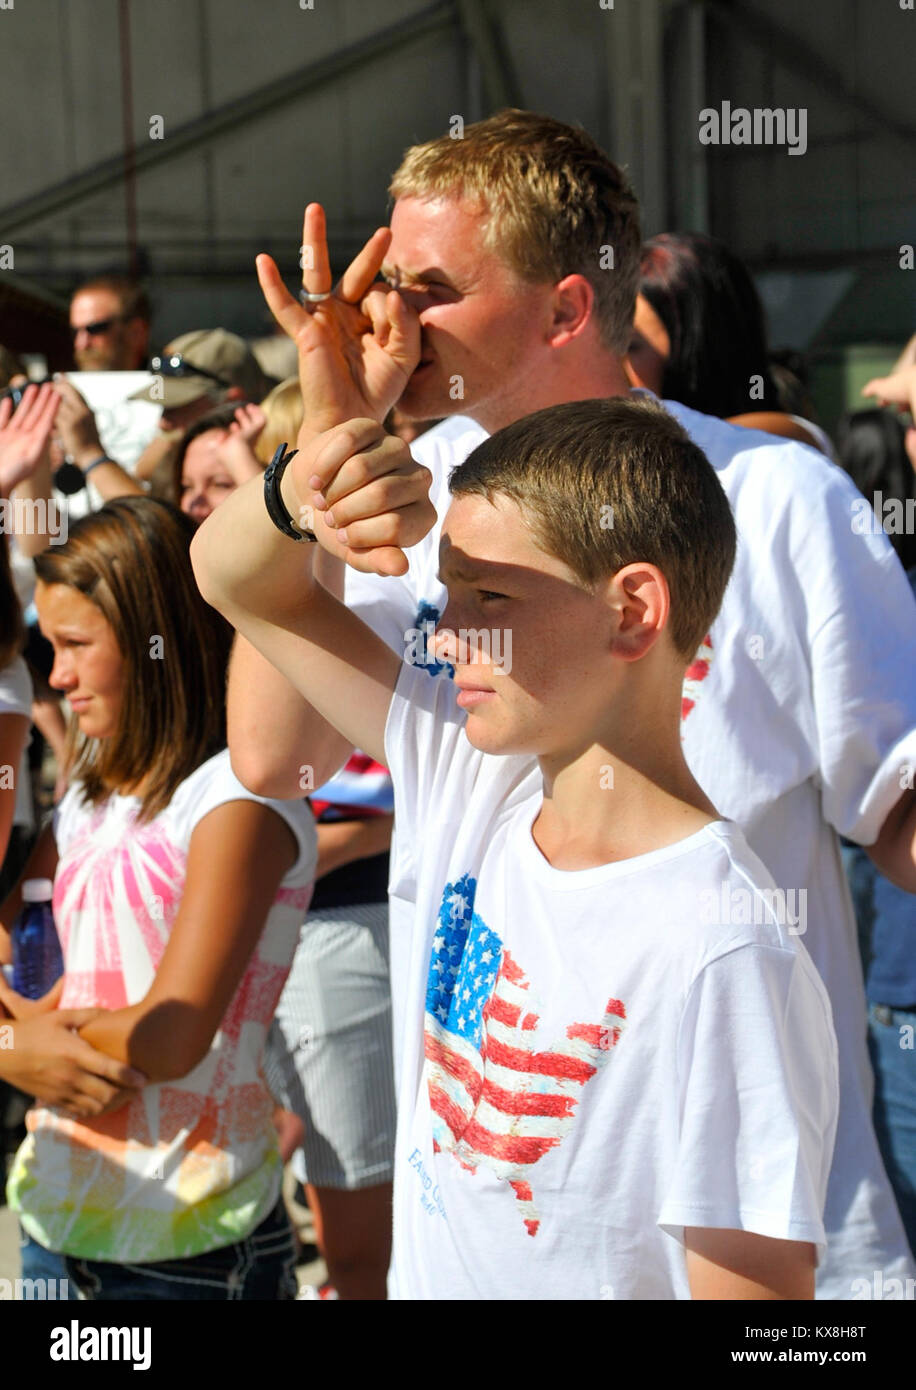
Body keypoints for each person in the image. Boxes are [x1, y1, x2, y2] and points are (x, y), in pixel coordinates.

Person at [224, 109, 916, 1300]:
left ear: (563, 309)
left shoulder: (779, 498)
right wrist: (331, 439)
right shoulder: (403, 493)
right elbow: (270, 751)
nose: (390, 316)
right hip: (486, 1226)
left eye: (429, 287)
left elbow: (897, 812)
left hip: (748, 1234)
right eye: (386, 283)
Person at [193, 395, 840, 1299]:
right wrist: (302, 487)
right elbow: (233, 576)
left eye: (489, 597)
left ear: (632, 612)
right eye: (446, 592)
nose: (448, 634)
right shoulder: (464, 774)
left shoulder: (724, 948)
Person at [0, 496, 317, 1300]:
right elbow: (8, 951)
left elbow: (174, 1032)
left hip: (192, 1251)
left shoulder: (239, 800)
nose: (57, 676)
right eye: (49, 647)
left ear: (155, 645)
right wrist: (14, 1048)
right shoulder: (89, 792)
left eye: (75, 646)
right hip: (50, 1224)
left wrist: (26, 1043)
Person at [626, 231, 833, 455]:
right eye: (607, 342)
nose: (614, 362)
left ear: (702, 348)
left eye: (631, 346)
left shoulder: (778, 440)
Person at [69, 276, 150, 373]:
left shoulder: (162, 385)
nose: (81, 344)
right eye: (75, 331)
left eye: (95, 328)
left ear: (136, 332)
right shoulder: (58, 384)